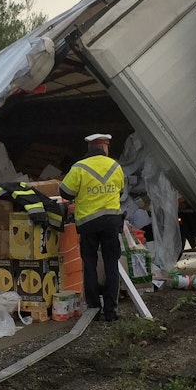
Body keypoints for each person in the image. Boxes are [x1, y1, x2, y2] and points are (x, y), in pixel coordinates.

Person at [59, 133, 125, 322]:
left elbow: (64, 192)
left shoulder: (79, 168)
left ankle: (94, 307)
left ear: (90, 149)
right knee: (112, 264)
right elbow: (120, 190)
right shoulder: (116, 166)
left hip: (88, 223)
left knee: (89, 263)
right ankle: (111, 311)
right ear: (105, 148)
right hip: (111, 222)